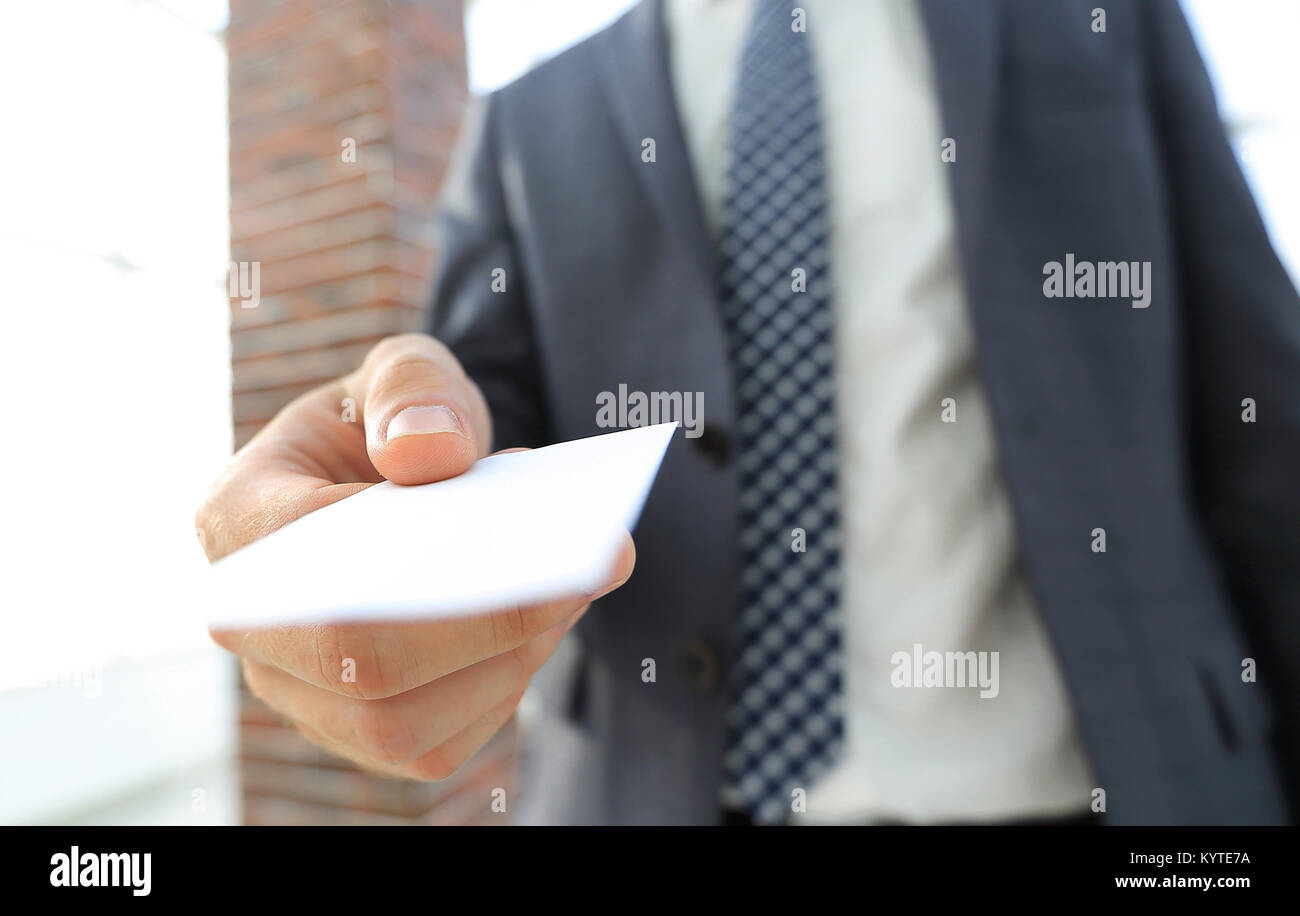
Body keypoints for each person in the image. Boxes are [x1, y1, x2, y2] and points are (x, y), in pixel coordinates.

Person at [197, 0, 1300, 825]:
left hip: (1113, 789)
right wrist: (388, 497)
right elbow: (480, 412)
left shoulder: (1097, 25)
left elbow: (1266, 425)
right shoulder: (533, 117)